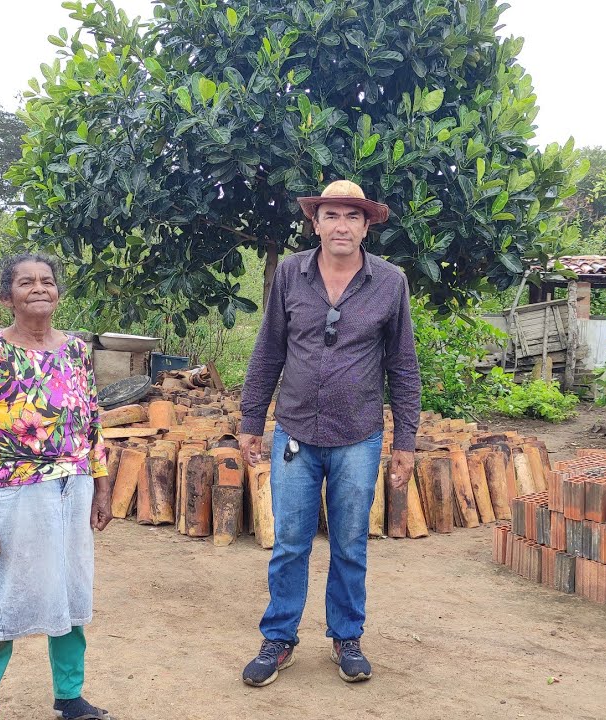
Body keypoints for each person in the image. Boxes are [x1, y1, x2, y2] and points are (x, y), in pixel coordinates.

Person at [237, 180, 422, 687]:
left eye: (352, 217)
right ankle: (279, 638)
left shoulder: (390, 282)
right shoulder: (291, 275)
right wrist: (252, 420)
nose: (341, 225)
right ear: (315, 223)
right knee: (290, 543)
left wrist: (405, 440)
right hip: (295, 431)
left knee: (349, 543)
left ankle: (347, 637)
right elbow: (269, 350)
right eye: (332, 215)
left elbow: (402, 366)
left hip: (359, 435)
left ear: (366, 226)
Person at [0, 253, 113, 720]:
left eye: (47, 280)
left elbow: (91, 423)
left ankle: (69, 696)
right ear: (8, 297)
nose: (39, 288)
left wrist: (101, 488)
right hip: (13, 495)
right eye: (26, 282)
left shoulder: (77, 350)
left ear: (58, 292)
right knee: (1, 606)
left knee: (71, 593)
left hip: (74, 488)